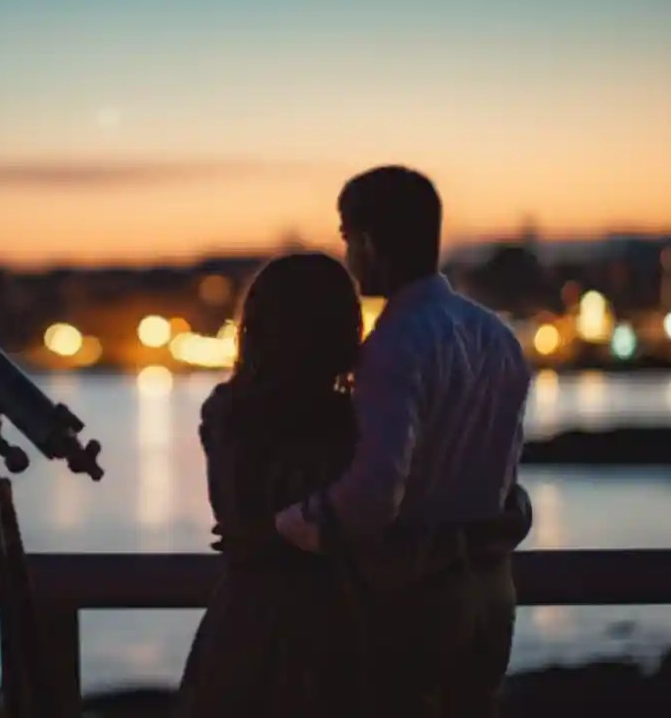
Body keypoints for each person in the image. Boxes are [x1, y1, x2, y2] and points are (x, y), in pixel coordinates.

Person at [274, 165, 534, 717]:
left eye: (348, 239)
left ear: (368, 242)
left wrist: (293, 521)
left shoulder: (393, 347)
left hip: (418, 594)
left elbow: (375, 492)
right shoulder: (498, 338)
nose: (347, 256)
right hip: (493, 590)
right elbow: (506, 476)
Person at [176, 252, 372, 717]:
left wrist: (261, 538)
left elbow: (239, 516)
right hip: (339, 621)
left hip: (242, 620)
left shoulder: (225, 414)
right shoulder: (354, 424)